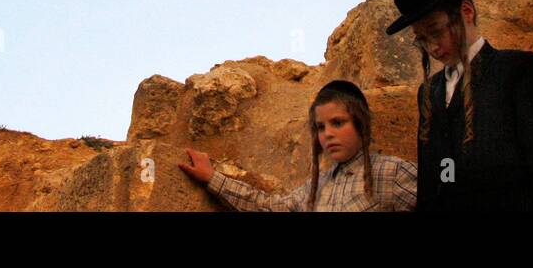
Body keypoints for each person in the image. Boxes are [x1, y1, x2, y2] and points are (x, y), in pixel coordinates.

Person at [387, 0, 533, 211]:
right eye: (422, 39)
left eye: (436, 32)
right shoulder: (429, 92)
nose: (432, 47)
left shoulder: (516, 70)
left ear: (466, 12)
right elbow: (433, 181)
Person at [177, 79, 416, 211]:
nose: (328, 134)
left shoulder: (391, 173)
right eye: (320, 127)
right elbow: (267, 207)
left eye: (338, 123)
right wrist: (213, 178)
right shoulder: (315, 188)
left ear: (361, 124)